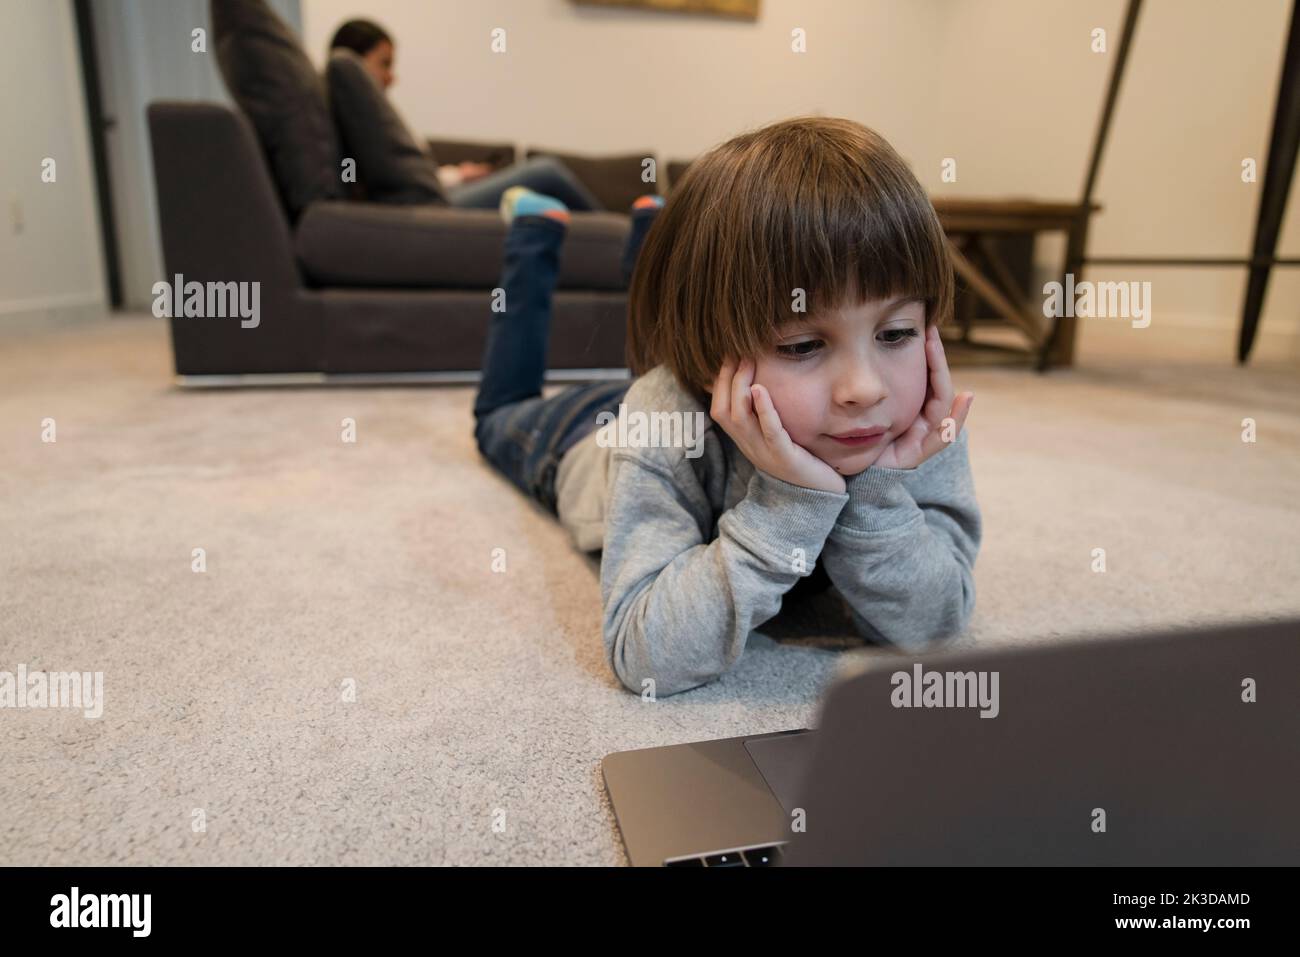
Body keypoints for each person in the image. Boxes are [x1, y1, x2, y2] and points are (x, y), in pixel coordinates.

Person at [472, 116, 982, 697]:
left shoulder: (914, 419)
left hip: (689, 397)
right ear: (712, 355)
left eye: (895, 334)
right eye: (803, 345)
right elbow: (645, 660)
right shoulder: (664, 413)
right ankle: (534, 237)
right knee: (496, 415)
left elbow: (936, 623)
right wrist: (788, 502)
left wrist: (880, 494)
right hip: (578, 441)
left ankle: (654, 234)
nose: (865, 389)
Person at [328, 19, 604, 210]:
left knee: (544, 175)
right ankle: (632, 246)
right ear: (355, 63)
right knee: (547, 172)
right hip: (433, 208)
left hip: (436, 197)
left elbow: (407, 177)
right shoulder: (351, 108)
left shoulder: (363, 119)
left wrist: (458, 175)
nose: (392, 77)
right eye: (384, 64)